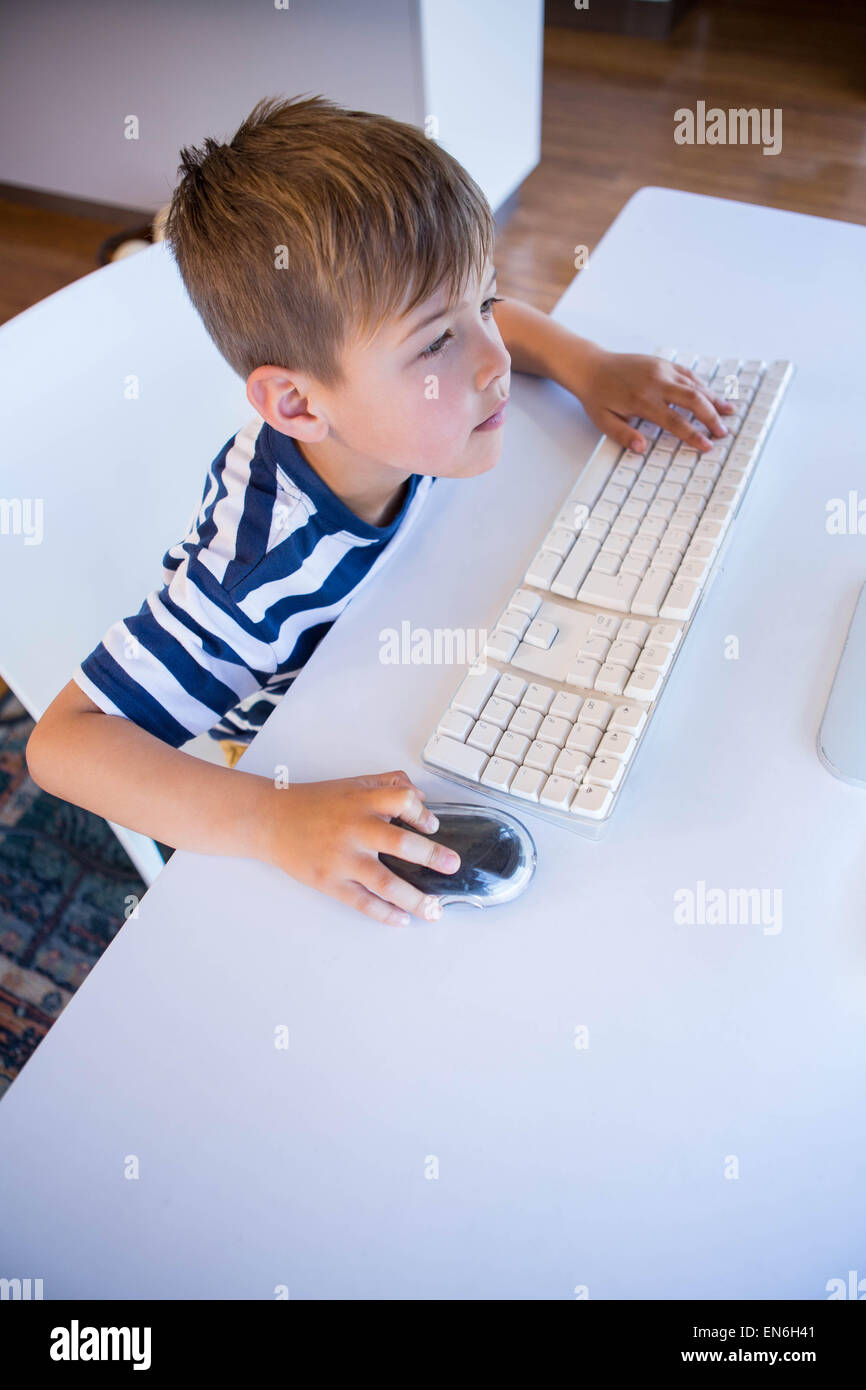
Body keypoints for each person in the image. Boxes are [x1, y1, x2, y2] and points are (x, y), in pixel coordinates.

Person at [25, 94, 731, 927]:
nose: (494, 361)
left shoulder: (400, 412)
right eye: (436, 343)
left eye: (482, 302)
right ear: (296, 404)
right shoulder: (260, 575)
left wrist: (587, 364)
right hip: (308, 742)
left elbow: (495, 326)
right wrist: (275, 819)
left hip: (416, 625)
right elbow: (63, 742)